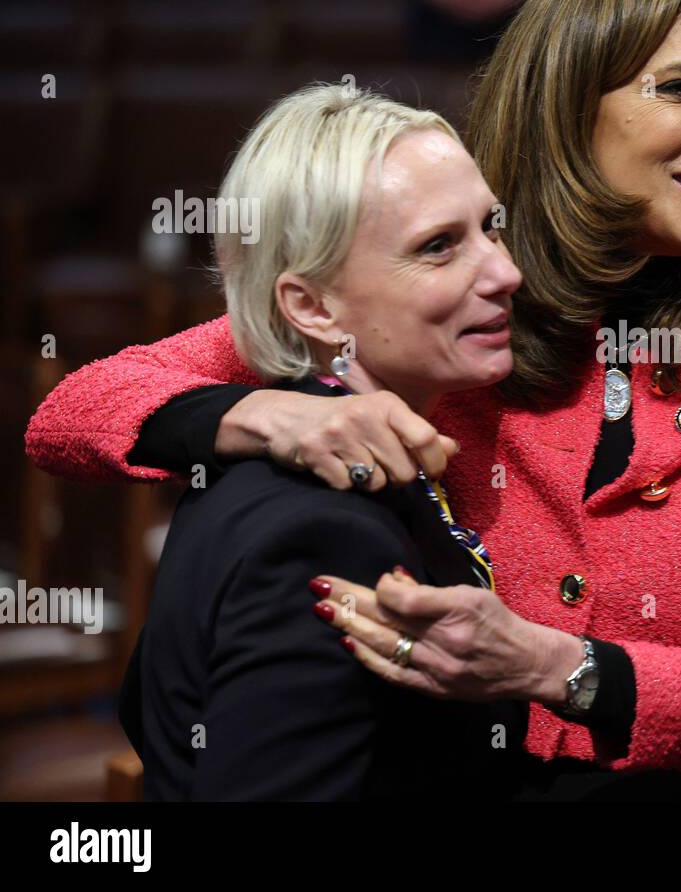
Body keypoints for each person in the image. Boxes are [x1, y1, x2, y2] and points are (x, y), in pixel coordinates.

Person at [26, 0, 681, 800]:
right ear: (568, 107)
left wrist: (547, 664)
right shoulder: (464, 300)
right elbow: (74, 411)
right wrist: (265, 415)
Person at [117, 85, 540, 799]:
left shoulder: (269, 465)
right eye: (438, 246)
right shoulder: (325, 531)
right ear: (312, 307)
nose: (504, 273)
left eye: (489, 228)